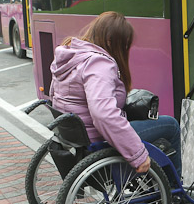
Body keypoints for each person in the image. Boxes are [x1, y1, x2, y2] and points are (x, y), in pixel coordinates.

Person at [49, 11, 185, 178]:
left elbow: (55, 95)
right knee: (170, 125)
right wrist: (138, 155)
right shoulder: (99, 64)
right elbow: (103, 114)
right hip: (98, 140)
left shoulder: (72, 56)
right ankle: (176, 191)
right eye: (124, 45)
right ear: (110, 41)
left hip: (79, 136)